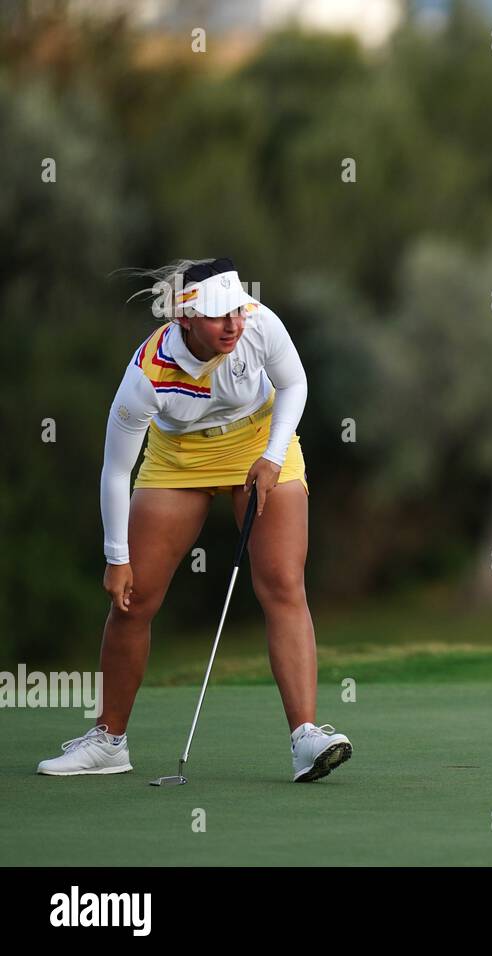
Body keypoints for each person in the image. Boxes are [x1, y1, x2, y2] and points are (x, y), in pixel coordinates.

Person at [36, 258, 353, 783]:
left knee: (282, 585)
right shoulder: (147, 373)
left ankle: (305, 738)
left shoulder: (259, 325)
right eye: (215, 315)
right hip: (179, 458)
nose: (232, 324)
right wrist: (117, 559)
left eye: (235, 310)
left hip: (260, 441)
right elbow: (116, 471)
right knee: (134, 600)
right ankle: (108, 741)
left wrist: (273, 457)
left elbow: (293, 385)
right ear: (184, 319)